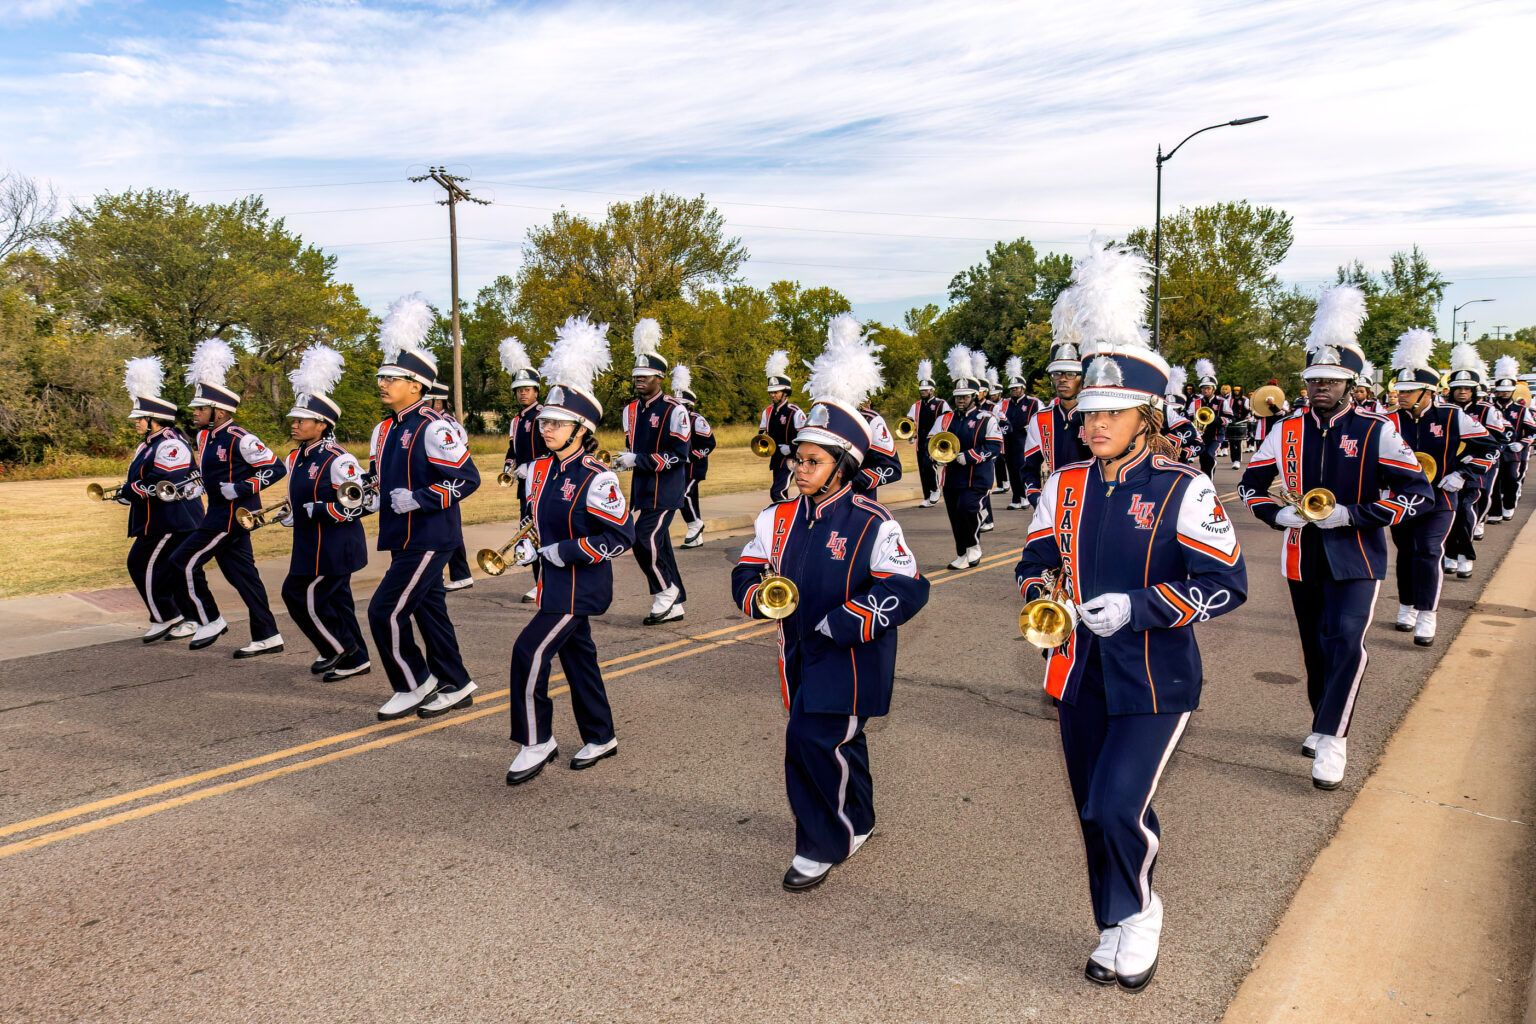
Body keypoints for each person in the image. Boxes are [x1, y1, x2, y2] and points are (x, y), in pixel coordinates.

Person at [1015, 237, 1246, 992]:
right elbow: (1032, 560)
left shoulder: (1186, 488)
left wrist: (1141, 607)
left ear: (1147, 414)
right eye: (1087, 412)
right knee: (1091, 808)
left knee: (1120, 803)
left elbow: (1228, 583)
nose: (1093, 424)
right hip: (1076, 673)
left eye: (1110, 411)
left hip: (1155, 678)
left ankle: (1142, 912)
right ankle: (1112, 919)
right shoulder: (1066, 483)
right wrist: (1041, 594)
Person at [730, 322, 928, 892]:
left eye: (813, 462)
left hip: (849, 652)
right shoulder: (776, 519)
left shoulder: (872, 521)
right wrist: (755, 595)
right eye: (798, 460)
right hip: (795, 651)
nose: (799, 470)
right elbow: (746, 569)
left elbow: (910, 586)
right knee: (842, 739)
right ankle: (859, 819)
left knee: (809, 741)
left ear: (842, 466)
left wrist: (848, 620)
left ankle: (822, 842)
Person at [1238, 285, 1432, 790]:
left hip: (1358, 557)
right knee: (1315, 648)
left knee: (1346, 642)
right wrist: (1277, 518)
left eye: (1331, 380)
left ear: (1351, 384)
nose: (1319, 387)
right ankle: (1322, 720)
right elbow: (1250, 485)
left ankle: (1334, 737)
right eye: (1313, 380)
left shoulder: (1376, 430)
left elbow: (1418, 493)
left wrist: (1355, 515)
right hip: (1301, 557)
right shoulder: (1285, 430)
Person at [505, 316, 636, 785]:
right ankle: (601, 735)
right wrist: (528, 546)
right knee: (578, 659)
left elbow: (621, 538)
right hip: (551, 583)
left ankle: (536, 740)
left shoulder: (598, 477)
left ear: (582, 428)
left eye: (558, 423)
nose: (546, 428)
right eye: (545, 421)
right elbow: (536, 520)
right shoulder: (539, 471)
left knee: (528, 653)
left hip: (579, 586)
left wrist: (562, 551)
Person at [366, 294, 482, 720]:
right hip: (402, 536)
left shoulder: (436, 426)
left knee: (384, 611)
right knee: (430, 613)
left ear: (416, 385)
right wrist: (365, 495)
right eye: (381, 376)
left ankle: (414, 682)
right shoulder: (384, 429)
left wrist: (420, 498)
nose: (382, 382)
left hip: (431, 536)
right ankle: (457, 681)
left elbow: (468, 479)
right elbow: (379, 478)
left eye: (392, 377)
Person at [168, 338, 287, 656]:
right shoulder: (205, 435)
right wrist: (198, 486)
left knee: (182, 561)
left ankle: (210, 619)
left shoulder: (240, 437)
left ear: (219, 412)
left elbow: (276, 468)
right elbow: (212, 471)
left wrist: (244, 488)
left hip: (233, 515)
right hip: (219, 512)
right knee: (243, 575)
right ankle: (268, 635)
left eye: (201, 408)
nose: (195, 413)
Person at [1381, 329, 1498, 646]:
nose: (1400, 395)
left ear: (1427, 392)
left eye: (1408, 391)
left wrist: (1462, 473)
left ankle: (1427, 614)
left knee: (1429, 552)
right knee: (1406, 553)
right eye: (1399, 390)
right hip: (1401, 499)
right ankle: (1406, 605)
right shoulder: (1388, 419)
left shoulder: (1452, 416)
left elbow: (1490, 448)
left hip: (1440, 497)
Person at [278, 345, 373, 680]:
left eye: (301, 420)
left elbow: (365, 502)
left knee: (298, 595)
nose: (294, 424)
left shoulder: (338, 458)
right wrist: (290, 513)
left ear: (322, 424)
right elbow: (297, 495)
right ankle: (356, 658)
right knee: (338, 604)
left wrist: (323, 510)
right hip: (307, 544)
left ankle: (337, 648)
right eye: (294, 419)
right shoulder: (295, 457)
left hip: (335, 546)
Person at [118, 356, 204, 643]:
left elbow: (163, 481)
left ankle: (166, 616)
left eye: (140, 419)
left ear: (154, 420)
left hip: (173, 518)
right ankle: (187, 617)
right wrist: (125, 491)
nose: (136, 424)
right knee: (168, 568)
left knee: (140, 563)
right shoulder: (150, 443)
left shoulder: (170, 443)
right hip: (159, 518)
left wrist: (130, 491)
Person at [616, 318, 692, 625]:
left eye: (645, 376)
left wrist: (639, 460)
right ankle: (675, 604)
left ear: (659, 378)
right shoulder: (630, 411)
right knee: (658, 545)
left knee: (643, 539)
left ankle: (665, 591)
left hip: (667, 489)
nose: (639, 381)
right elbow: (632, 447)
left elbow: (680, 456)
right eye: (636, 376)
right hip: (642, 491)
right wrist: (624, 461)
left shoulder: (676, 410)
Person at [1442, 345, 1508, 564]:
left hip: (1477, 468)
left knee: (1466, 509)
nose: (1462, 392)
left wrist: (1478, 461)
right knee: (1449, 512)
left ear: (1474, 390)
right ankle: (1450, 553)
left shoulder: (1486, 410)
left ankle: (1465, 555)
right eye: (1458, 388)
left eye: (1467, 388)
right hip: (1448, 468)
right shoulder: (1443, 410)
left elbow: (1499, 439)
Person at [500, 338, 547, 604]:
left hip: (541, 482)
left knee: (540, 531)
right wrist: (510, 466)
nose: (522, 394)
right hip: (523, 485)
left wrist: (531, 467)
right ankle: (538, 583)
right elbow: (512, 450)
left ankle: (544, 584)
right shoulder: (516, 420)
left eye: (527, 390)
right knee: (527, 532)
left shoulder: (543, 415)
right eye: (519, 390)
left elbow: (551, 450)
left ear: (536, 391)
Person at [1022, 338, 1091, 506]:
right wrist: (1035, 497)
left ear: (1083, 377)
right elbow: (1029, 467)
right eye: (1057, 373)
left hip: (1092, 498)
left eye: (1070, 374)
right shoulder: (1040, 419)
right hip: (1055, 501)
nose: (1062, 379)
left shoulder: (1096, 415)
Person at [426, 379, 475, 592]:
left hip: (446, 481)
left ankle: (460, 573)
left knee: (449, 529)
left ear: (439, 402)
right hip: (434, 480)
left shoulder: (447, 424)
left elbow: (461, 456)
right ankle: (454, 573)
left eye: (428, 400)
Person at [673, 364, 716, 548]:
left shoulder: (697, 420)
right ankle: (697, 537)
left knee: (684, 494)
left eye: (681, 405)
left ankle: (694, 524)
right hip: (681, 466)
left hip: (695, 466)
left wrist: (693, 456)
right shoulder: (673, 420)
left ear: (689, 405)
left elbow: (710, 443)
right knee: (690, 497)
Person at [1486, 357, 1534, 522]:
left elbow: (1532, 431)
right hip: (1495, 451)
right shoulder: (1489, 409)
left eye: (1507, 390)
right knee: (1494, 483)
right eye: (1501, 390)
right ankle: (1494, 512)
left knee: (1512, 479)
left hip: (1513, 453)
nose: (1504, 393)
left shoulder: (1521, 410)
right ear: (1496, 391)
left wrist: (1521, 444)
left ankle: (1509, 505)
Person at [759, 351, 806, 503]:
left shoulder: (795, 412)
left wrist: (791, 449)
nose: (773, 395)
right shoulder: (767, 411)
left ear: (785, 393)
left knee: (778, 492)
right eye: (771, 392)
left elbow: (804, 438)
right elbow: (762, 435)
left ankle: (786, 519)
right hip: (776, 458)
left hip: (791, 458)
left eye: (776, 392)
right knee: (778, 493)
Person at [996, 356, 1041, 509]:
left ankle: (1026, 497)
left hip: (1025, 440)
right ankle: (1016, 498)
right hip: (1009, 440)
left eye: (1017, 388)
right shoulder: (1004, 403)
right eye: (1012, 389)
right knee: (1012, 469)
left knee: (1024, 467)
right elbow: (998, 415)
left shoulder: (1033, 402)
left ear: (1023, 388)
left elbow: (1039, 419)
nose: (1014, 391)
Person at [907, 360, 952, 507]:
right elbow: (909, 421)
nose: (923, 392)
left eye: (925, 390)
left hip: (935, 441)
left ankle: (935, 490)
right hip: (921, 442)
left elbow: (948, 419)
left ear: (932, 390)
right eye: (921, 389)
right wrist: (910, 433)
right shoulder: (916, 405)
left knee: (929, 464)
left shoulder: (941, 403)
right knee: (922, 469)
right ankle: (927, 496)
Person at [1186, 361, 1225, 478]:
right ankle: (1207, 479)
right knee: (1203, 460)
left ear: (1213, 389)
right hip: (1201, 436)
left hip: (1216, 436)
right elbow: (1189, 416)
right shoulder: (1196, 402)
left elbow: (1230, 418)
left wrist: (1215, 420)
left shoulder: (1222, 402)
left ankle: (1210, 478)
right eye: (1203, 388)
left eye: (1208, 388)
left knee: (1209, 455)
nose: (1205, 391)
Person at [1162, 366, 1201, 464]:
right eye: (1171, 409)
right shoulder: (1161, 415)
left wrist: (1184, 453)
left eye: (1176, 409)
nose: (1173, 412)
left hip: (1180, 462)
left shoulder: (1187, 424)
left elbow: (1199, 444)